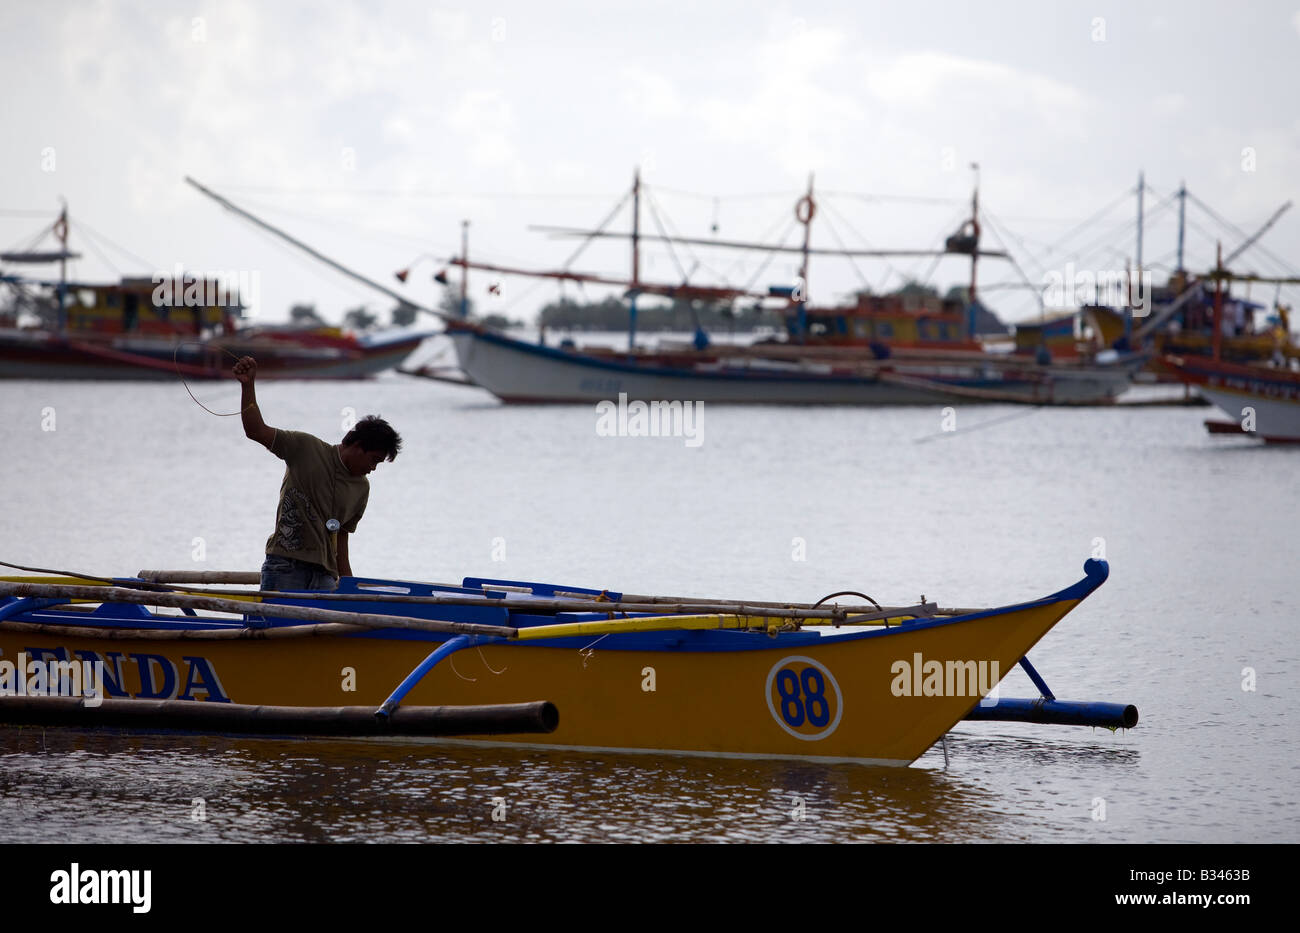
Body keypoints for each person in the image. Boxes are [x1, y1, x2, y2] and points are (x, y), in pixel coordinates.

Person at [232, 355, 401, 592]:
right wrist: (248, 386)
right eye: (374, 460)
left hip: (325, 577)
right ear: (357, 445)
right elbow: (256, 430)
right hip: (285, 567)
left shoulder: (362, 488)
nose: (373, 468)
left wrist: (349, 586)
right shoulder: (305, 447)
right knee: (272, 628)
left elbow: (342, 538)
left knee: (324, 629)